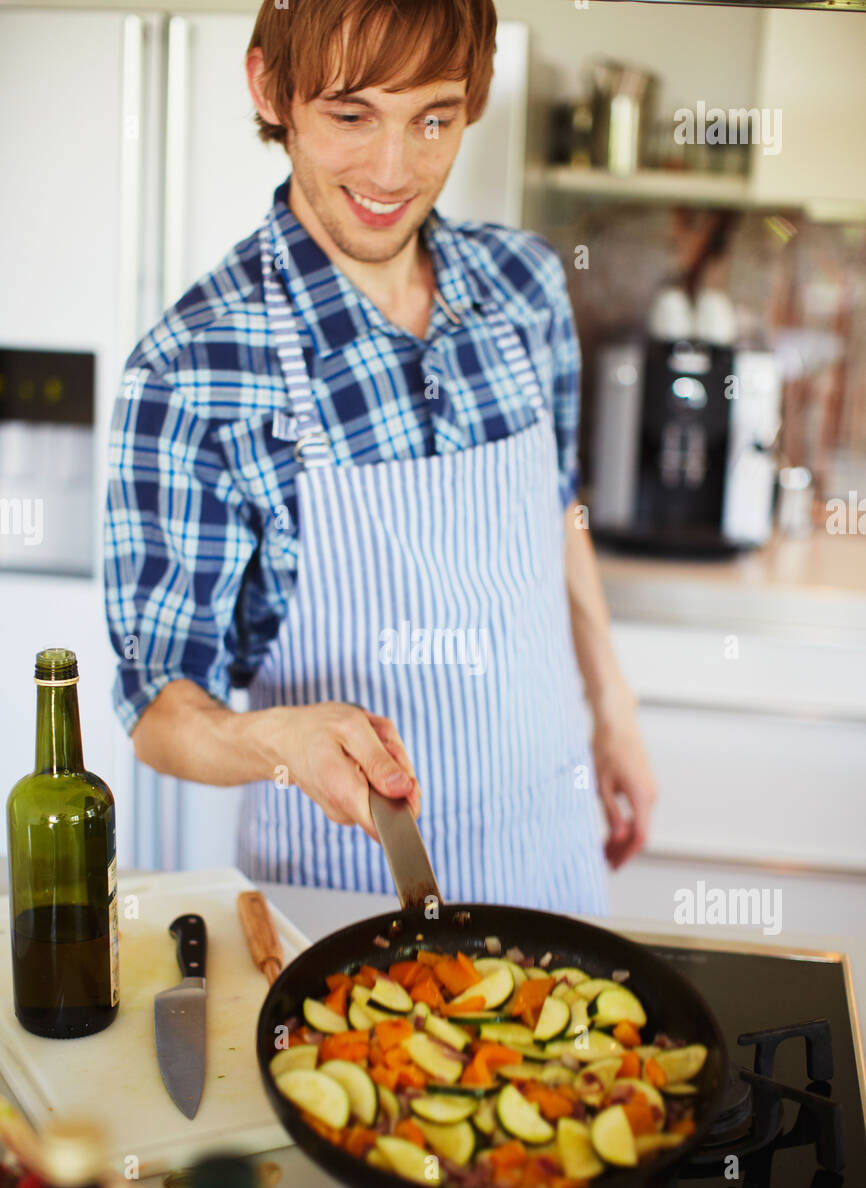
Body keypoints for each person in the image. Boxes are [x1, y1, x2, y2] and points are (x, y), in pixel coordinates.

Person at [103, 0, 656, 914]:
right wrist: (285, 741)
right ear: (271, 89)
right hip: (341, 897)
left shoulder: (524, 287)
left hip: (551, 857)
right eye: (352, 115)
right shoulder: (194, 367)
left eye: (433, 118)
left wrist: (615, 711)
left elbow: (557, 513)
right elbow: (160, 709)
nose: (394, 171)